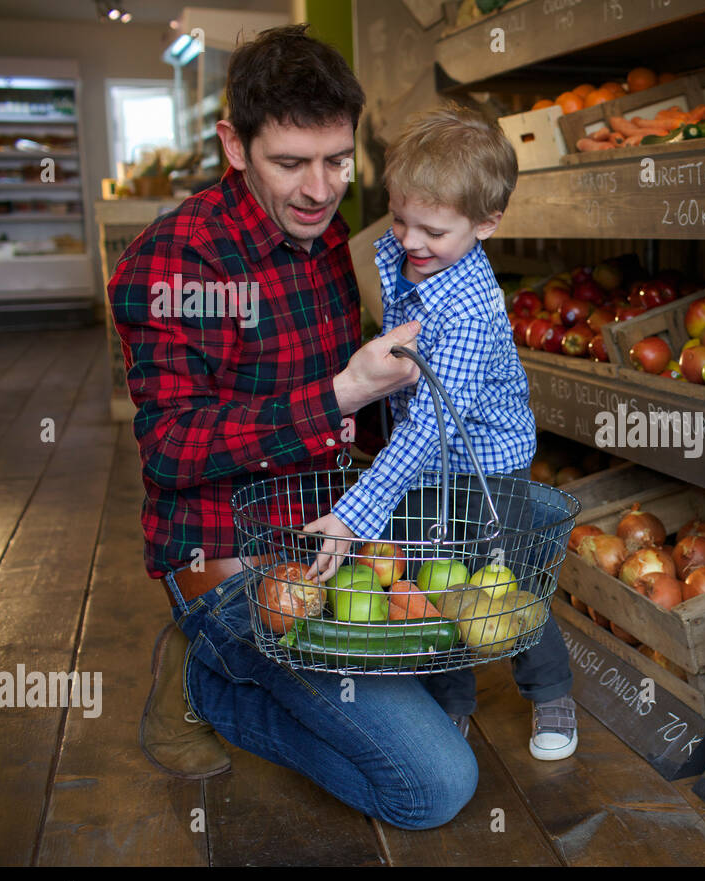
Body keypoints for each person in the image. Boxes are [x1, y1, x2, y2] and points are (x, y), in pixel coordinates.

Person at [109, 25, 477, 829]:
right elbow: (170, 449)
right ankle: (206, 680)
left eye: (337, 161)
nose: (320, 189)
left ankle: (274, 668)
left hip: (325, 530)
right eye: (290, 163)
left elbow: (352, 409)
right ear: (234, 145)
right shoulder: (177, 265)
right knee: (434, 787)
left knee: (458, 673)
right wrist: (342, 393)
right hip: (226, 553)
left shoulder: (325, 237)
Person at [302, 106, 579, 762]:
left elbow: (428, 426)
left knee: (497, 584)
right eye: (400, 219)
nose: (410, 241)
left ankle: (551, 691)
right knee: (429, 583)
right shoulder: (414, 259)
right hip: (427, 468)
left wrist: (353, 513)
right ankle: (452, 702)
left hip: (484, 464)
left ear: (487, 225)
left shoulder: (469, 309)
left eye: (433, 229)